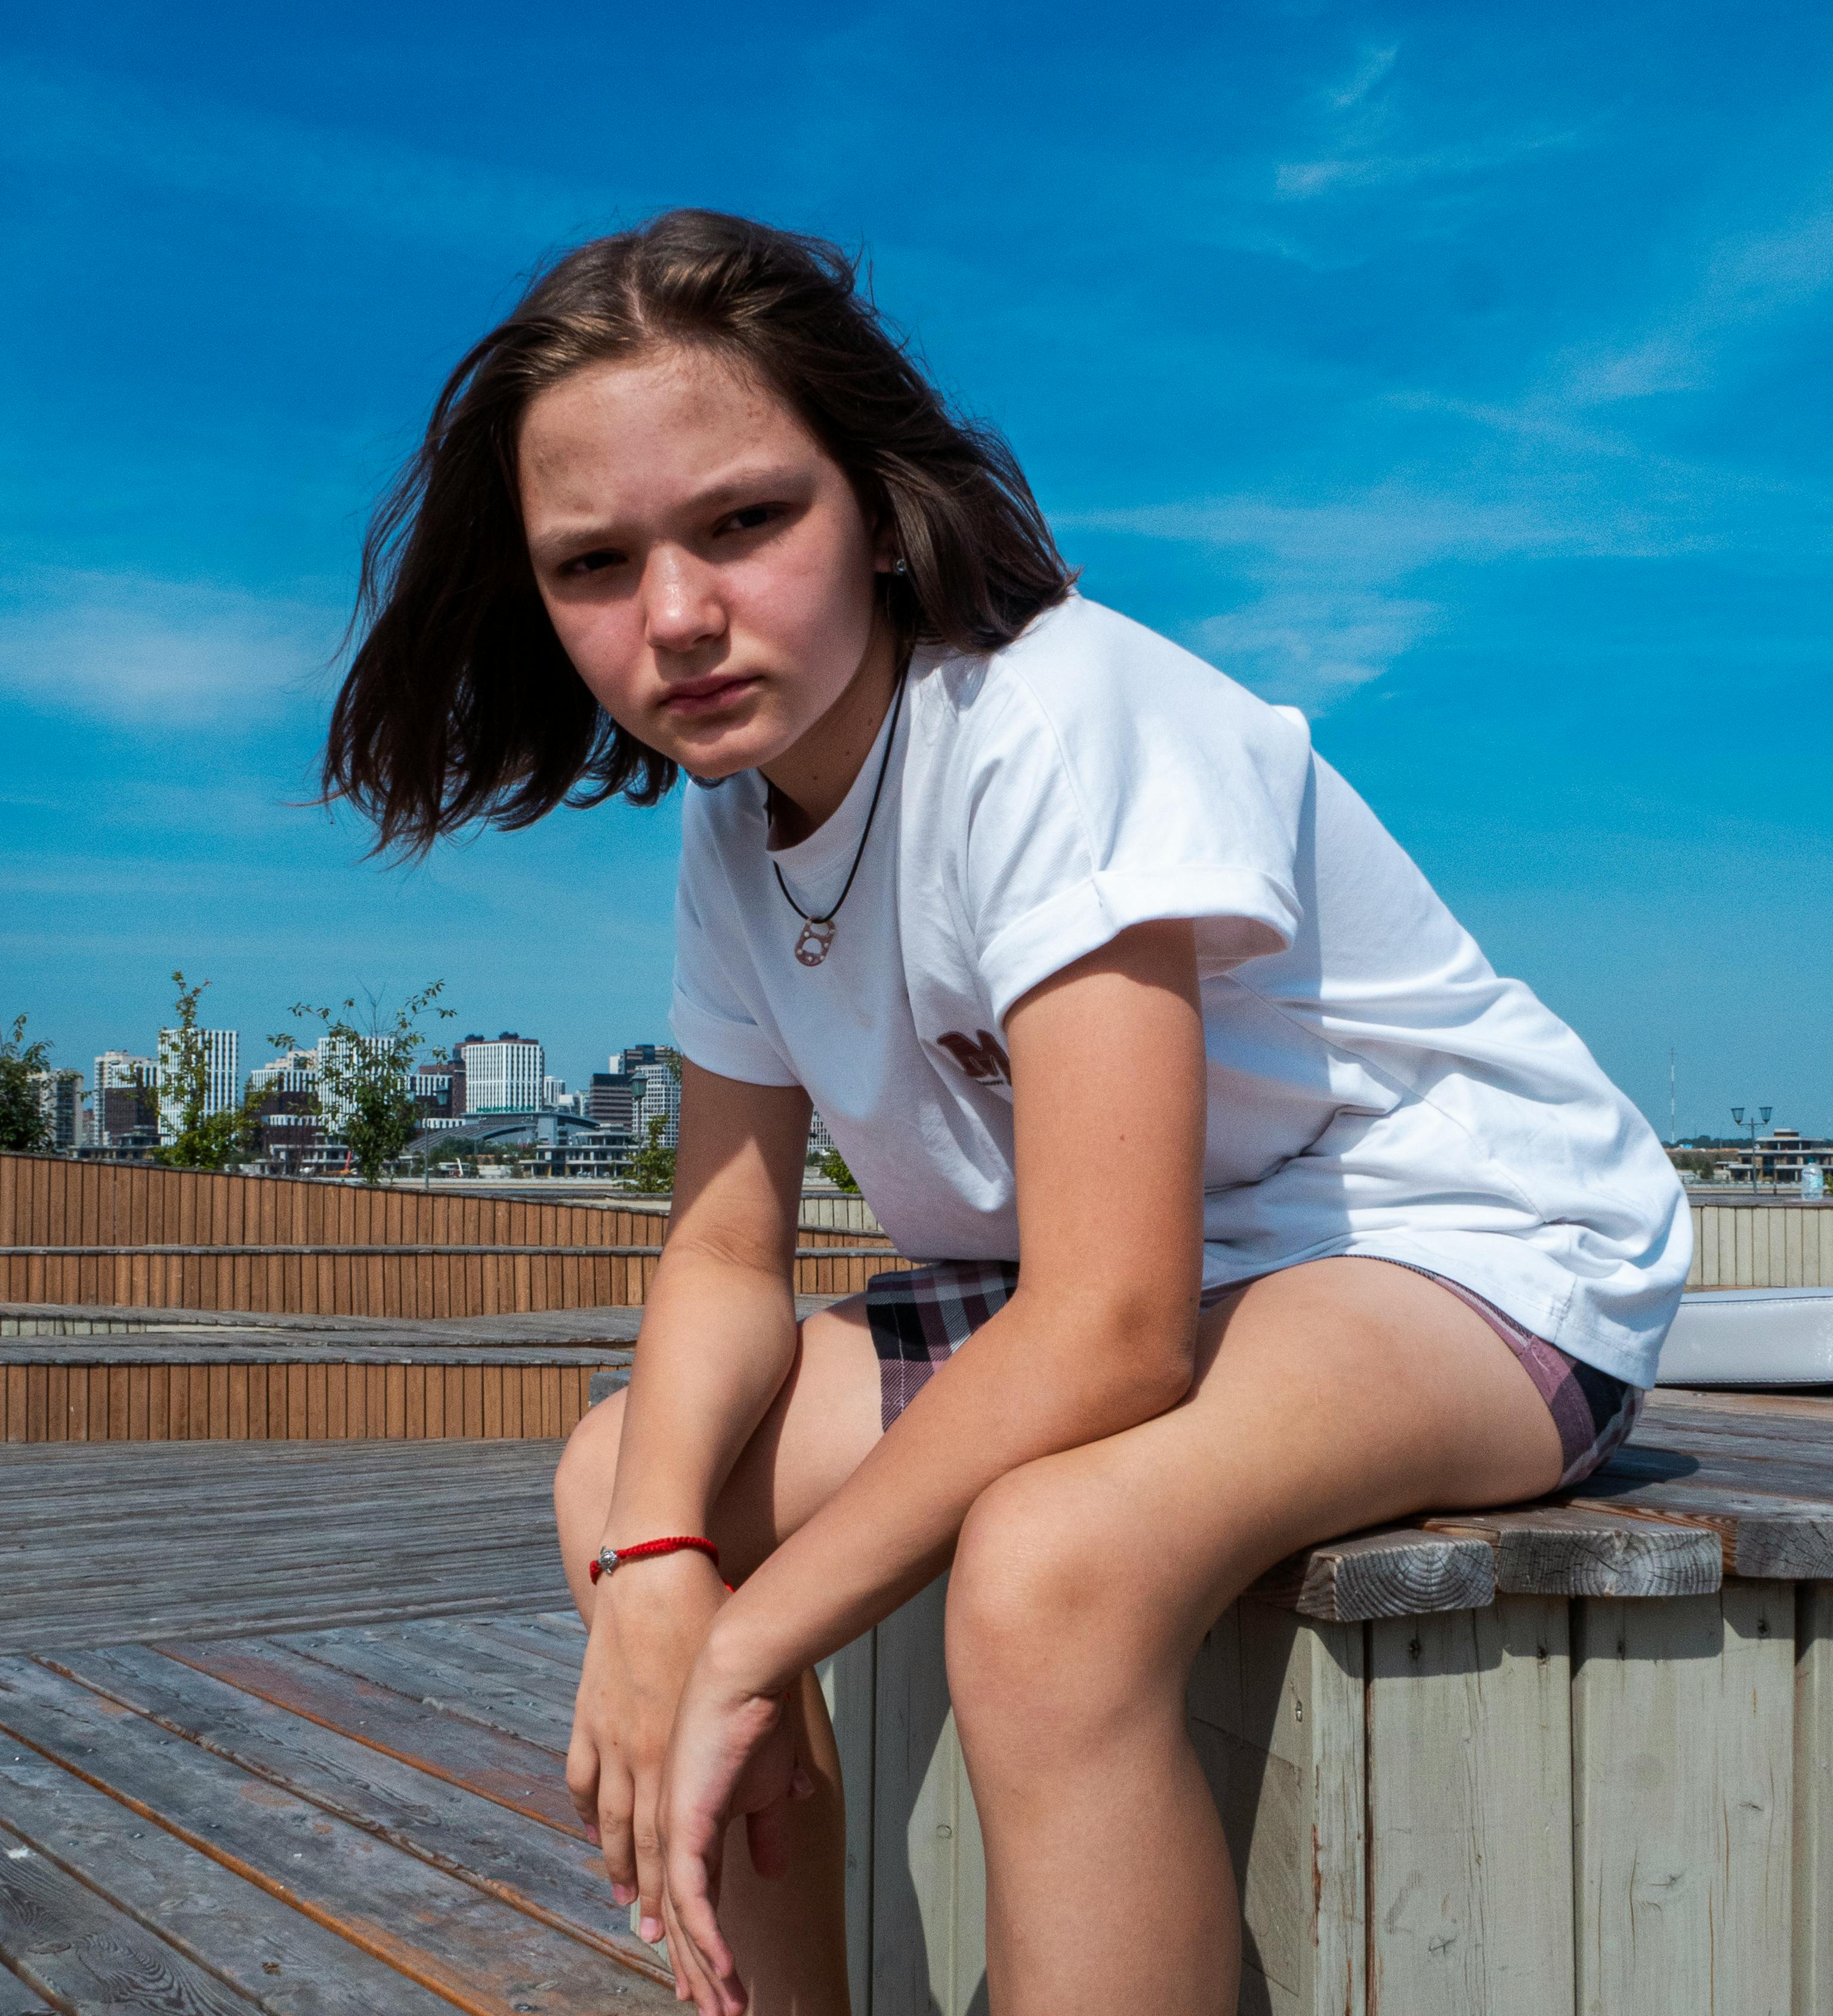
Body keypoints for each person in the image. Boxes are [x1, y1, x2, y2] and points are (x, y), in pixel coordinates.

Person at [324, 208, 1690, 2016]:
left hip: (1462, 1246)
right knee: (619, 1480)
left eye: (744, 521)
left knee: (1051, 1574)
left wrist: (741, 1643)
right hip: (1167, 1279)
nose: (675, 616)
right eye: (596, 564)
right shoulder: (734, 829)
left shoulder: (1049, 720)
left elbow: (1113, 1335)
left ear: (877, 508)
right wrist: (662, 1571)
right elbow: (725, 1251)